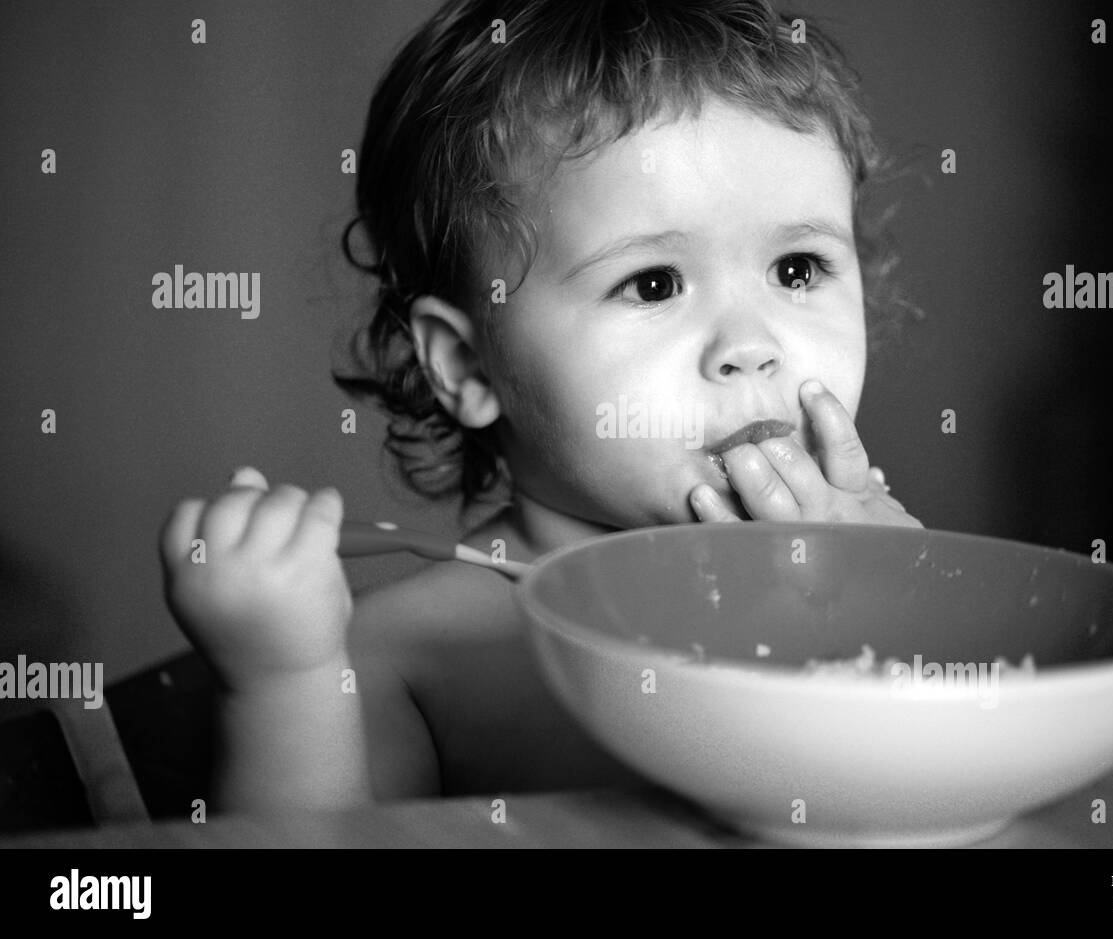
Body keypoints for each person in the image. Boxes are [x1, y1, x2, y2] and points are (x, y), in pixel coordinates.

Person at [158, 0, 922, 813]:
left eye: (798, 269)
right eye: (654, 283)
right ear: (468, 365)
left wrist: (908, 607)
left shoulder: (876, 558)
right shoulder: (411, 654)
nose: (751, 343)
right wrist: (285, 681)